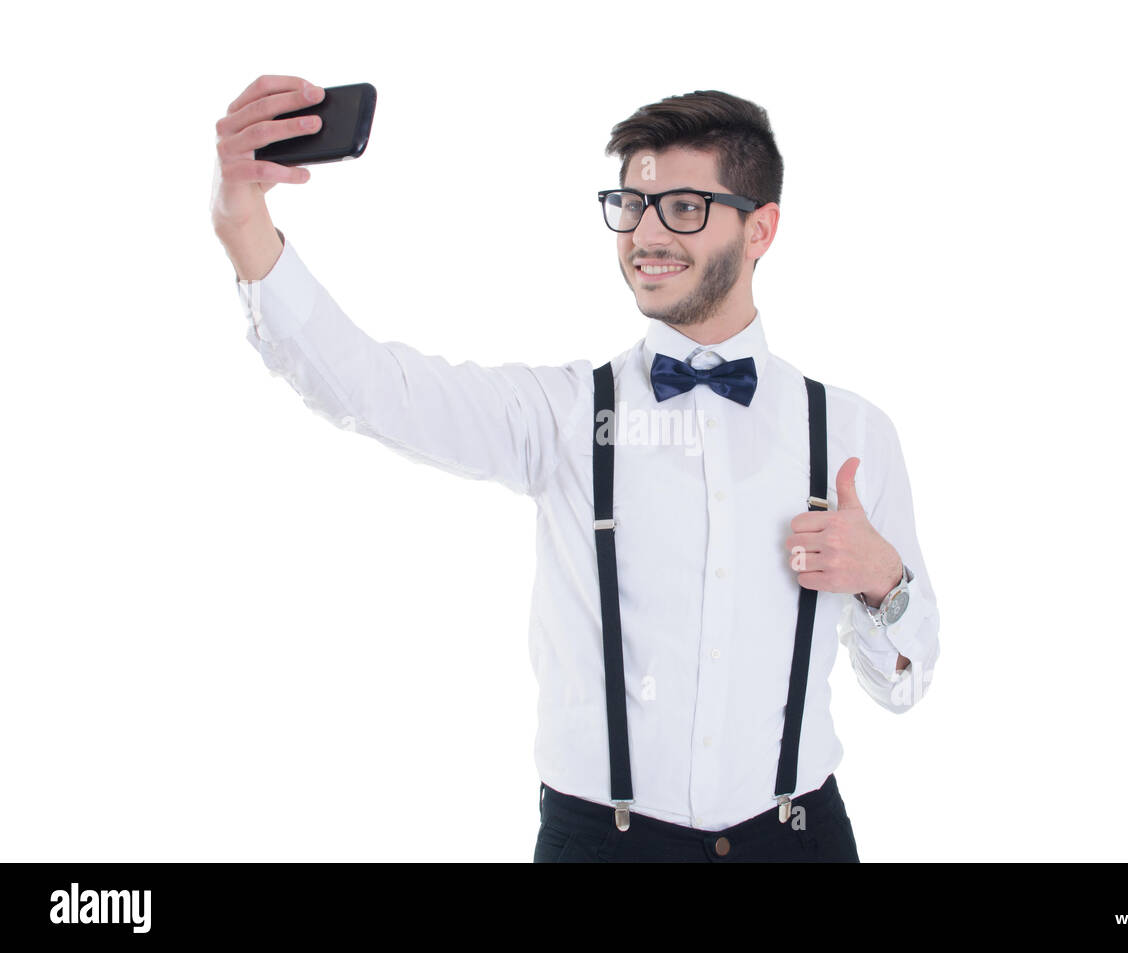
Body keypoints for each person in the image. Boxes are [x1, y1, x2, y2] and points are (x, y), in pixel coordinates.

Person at [211, 76, 941, 863]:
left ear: (760, 228)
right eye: (632, 206)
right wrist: (242, 221)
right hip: (602, 842)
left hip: (802, 838)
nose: (647, 234)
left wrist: (883, 580)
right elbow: (373, 387)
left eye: (684, 208)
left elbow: (906, 680)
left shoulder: (851, 434)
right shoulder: (560, 416)